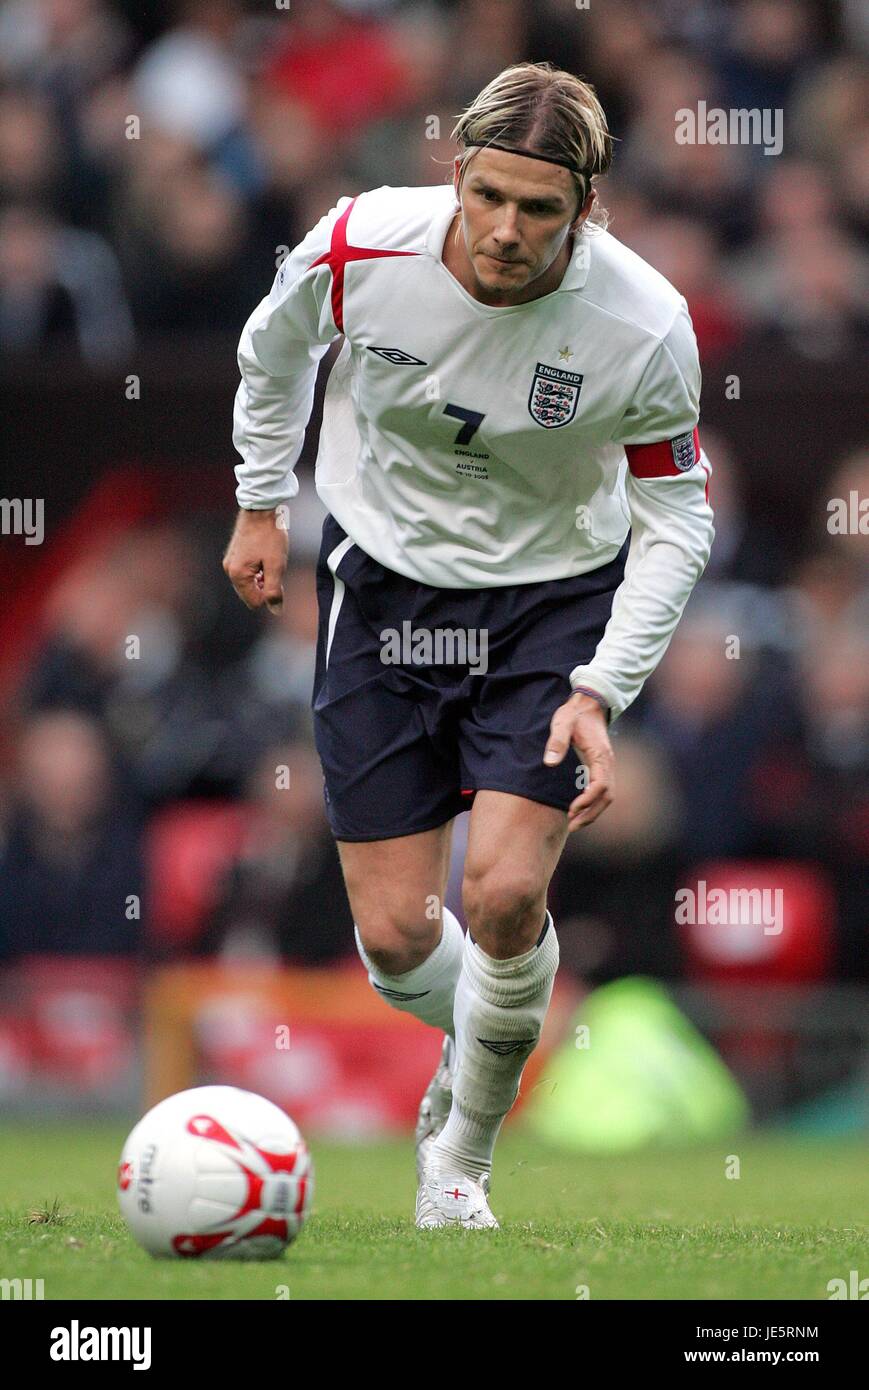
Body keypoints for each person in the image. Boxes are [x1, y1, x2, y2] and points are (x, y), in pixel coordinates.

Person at [224, 62, 714, 1229]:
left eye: (539, 209)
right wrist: (257, 500)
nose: (504, 230)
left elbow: (676, 515)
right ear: (456, 172)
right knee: (397, 938)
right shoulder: (357, 245)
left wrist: (603, 683)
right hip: (381, 589)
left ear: (587, 208)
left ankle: (461, 1158)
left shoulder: (641, 324)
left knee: (499, 899)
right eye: (487, 194)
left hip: (547, 605)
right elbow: (272, 347)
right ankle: (493, 1028)